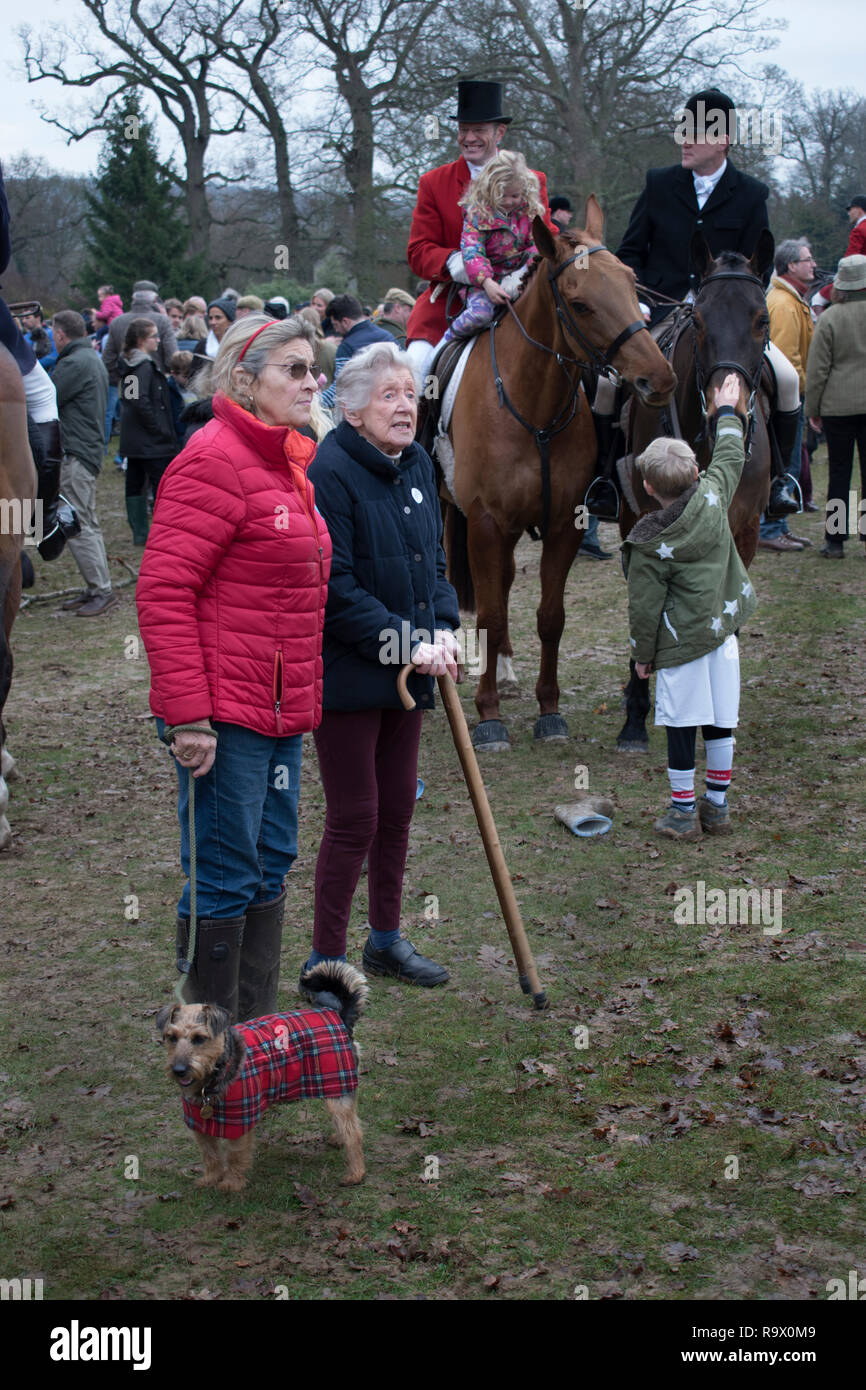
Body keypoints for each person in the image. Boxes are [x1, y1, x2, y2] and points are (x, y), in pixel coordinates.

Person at [136, 313, 332, 1019]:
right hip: (224, 714)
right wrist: (188, 715)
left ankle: (251, 1038)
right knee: (224, 873)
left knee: (271, 861)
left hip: (280, 709)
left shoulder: (288, 460)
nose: (313, 383)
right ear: (245, 381)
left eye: (316, 370)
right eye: (296, 371)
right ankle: (210, 1052)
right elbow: (164, 589)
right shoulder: (213, 458)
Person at [306, 340, 460, 986]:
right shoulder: (329, 471)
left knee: (397, 806)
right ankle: (325, 961)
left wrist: (446, 627)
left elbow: (435, 561)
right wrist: (408, 641)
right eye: (388, 396)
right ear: (351, 409)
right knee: (355, 817)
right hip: (349, 675)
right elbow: (334, 589)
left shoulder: (419, 462)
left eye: (409, 395)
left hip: (411, 670)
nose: (405, 408)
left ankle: (386, 940)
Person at [622, 373, 757, 840]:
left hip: (680, 647)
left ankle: (683, 812)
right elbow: (730, 453)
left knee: (682, 724)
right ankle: (717, 807)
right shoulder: (715, 493)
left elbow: (644, 607)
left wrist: (642, 656)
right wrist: (725, 410)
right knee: (721, 719)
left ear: (646, 486)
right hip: (724, 636)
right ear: (696, 474)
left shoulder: (646, 543)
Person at [405, 80, 552, 380]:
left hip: (522, 296)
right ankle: (419, 427)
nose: (469, 138)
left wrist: (524, 272)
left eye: (479, 130)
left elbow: (547, 240)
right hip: (452, 301)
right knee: (415, 367)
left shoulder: (532, 180)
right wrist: (459, 264)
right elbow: (418, 251)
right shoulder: (434, 183)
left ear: (499, 132)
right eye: (463, 130)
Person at [51, 311, 118, 616]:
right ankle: (96, 587)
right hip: (86, 449)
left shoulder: (75, 363)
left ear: (61, 335)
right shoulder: (89, 357)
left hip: (77, 451)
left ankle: (101, 590)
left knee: (76, 523)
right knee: (86, 520)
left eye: (54, 332)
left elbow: (47, 398)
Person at [440, 150, 542, 344]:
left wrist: (518, 277)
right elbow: (472, 252)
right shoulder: (477, 216)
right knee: (481, 314)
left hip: (518, 278)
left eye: (515, 195)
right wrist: (487, 282)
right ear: (491, 190)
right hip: (483, 282)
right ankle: (445, 343)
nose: (510, 201)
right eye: (503, 196)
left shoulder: (529, 214)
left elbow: (535, 248)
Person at [805, 255, 866, 559]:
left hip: (837, 408)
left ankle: (836, 541)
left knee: (839, 473)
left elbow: (817, 371)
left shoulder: (829, 318)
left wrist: (812, 409)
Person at [759, 239, 817, 552]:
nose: (814, 264)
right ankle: (770, 528)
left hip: (793, 395)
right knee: (784, 465)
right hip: (788, 399)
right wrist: (802, 389)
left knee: (789, 464)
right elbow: (783, 359)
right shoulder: (783, 304)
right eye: (808, 260)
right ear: (791, 265)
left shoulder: (792, 299)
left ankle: (778, 525)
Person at [118, 317, 180, 544]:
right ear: (142, 340)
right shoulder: (141, 366)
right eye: (154, 336)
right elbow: (136, 401)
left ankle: (142, 533)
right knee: (161, 485)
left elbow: (131, 399)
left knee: (135, 485)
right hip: (151, 443)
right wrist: (158, 427)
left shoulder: (133, 365)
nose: (158, 340)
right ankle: (160, 532)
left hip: (137, 441)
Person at [319, 295, 393, 408]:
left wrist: (315, 404)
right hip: (391, 404)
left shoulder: (347, 347)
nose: (336, 330)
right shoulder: (388, 337)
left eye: (335, 325)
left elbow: (340, 390)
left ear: (345, 321)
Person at [102, 284, 178, 384]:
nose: (157, 340)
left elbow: (108, 360)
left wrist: (120, 379)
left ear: (133, 298)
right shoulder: (163, 321)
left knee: (132, 397)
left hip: (127, 383)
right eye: (154, 337)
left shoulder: (117, 322)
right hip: (155, 385)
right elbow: (172, 359)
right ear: (155, 300)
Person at [191, 297, 236, 377]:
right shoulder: (202, 346)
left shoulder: (238, 345)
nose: (213, 322)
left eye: (218, 318)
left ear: (230, 320)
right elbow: (192, 376)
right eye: (210, 318)